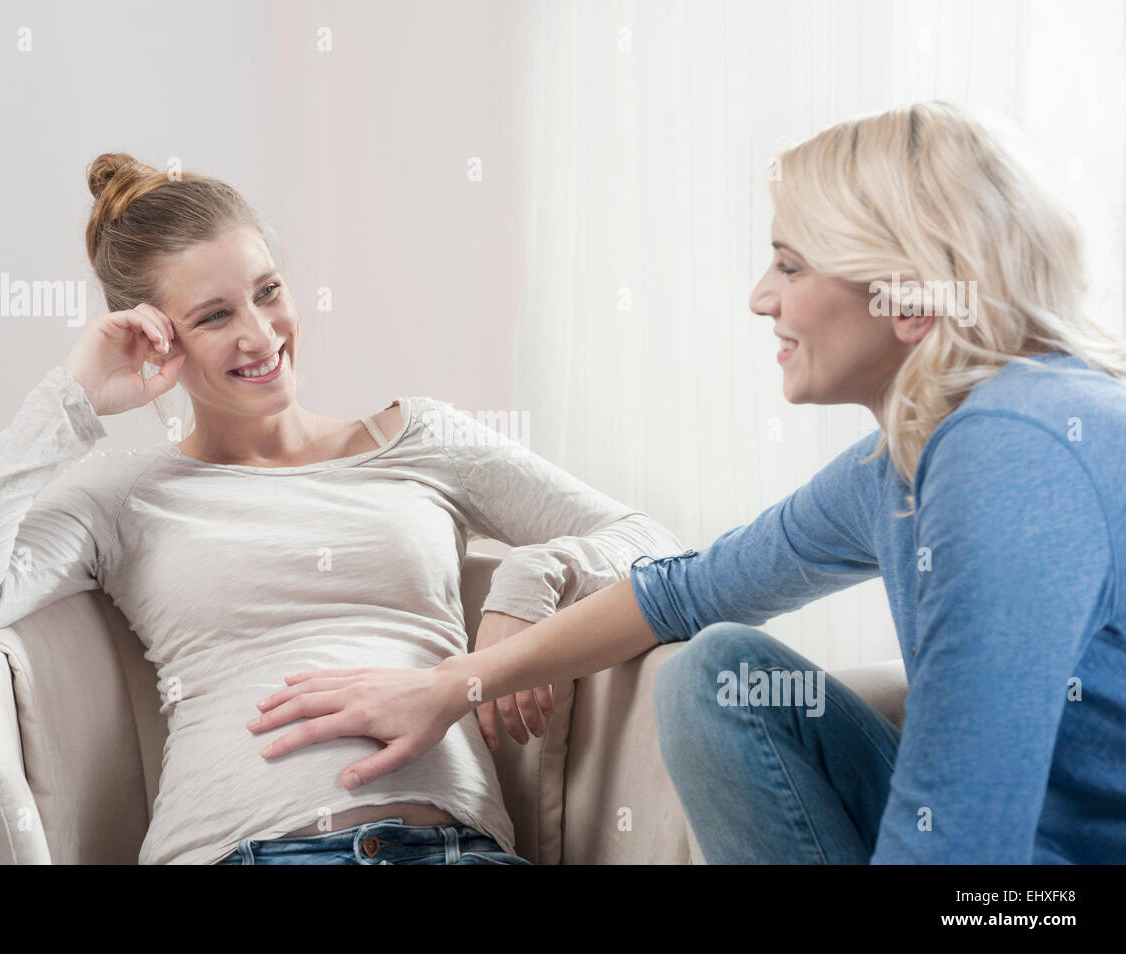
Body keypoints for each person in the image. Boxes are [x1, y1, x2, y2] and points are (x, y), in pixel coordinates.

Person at [249, 101, 1126, 864]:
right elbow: (681, 595)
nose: (759, 298)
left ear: (907, 293)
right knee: (716, 672)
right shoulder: (906, 458)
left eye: (790, 264)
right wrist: (454, 683)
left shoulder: (1018, 445)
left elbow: (965, 844)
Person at [0, 153, 684, 865]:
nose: (262, 335)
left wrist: (529, 581)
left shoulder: (422, 439)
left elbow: (652, 543)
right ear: (158, 341)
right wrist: (71, 401)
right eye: (215, 316)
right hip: (249, 852)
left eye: (268, 292)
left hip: (456, 850)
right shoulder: (125, 496)